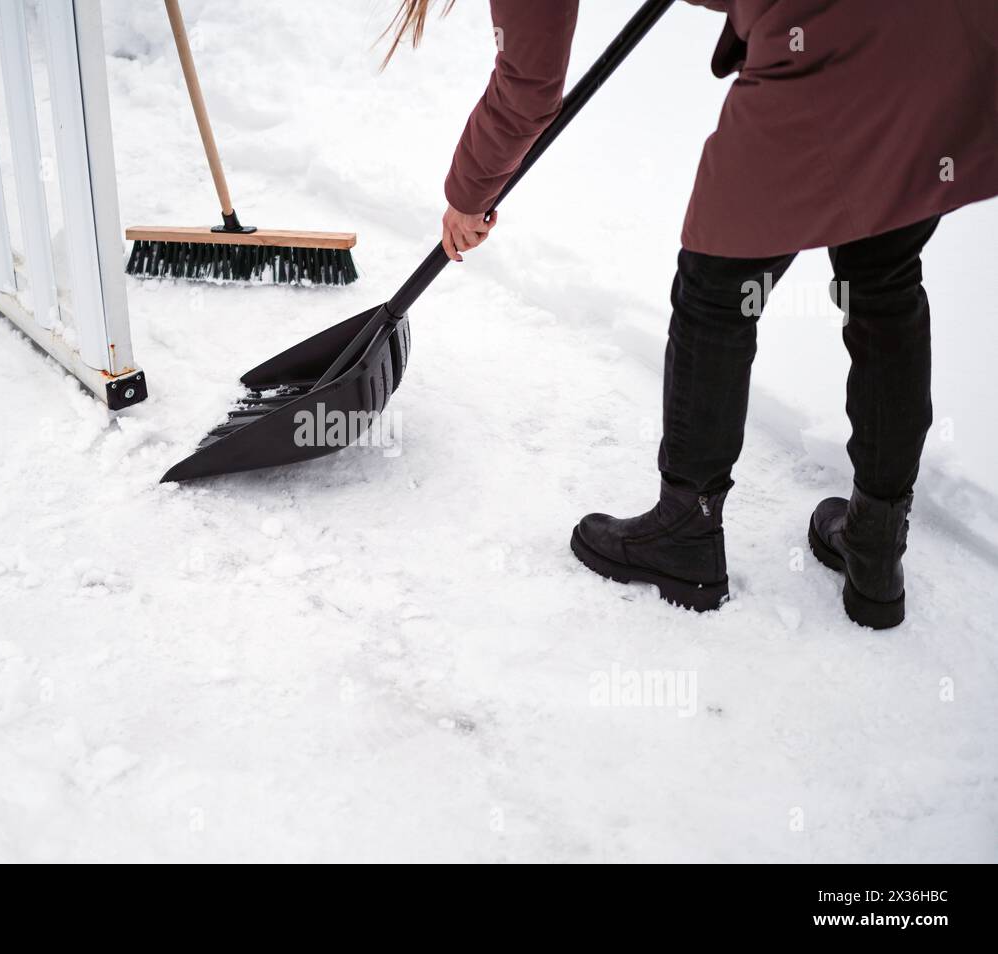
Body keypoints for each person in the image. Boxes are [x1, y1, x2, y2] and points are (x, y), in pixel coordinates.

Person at [385, 0, 998, 628]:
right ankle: (876, 542)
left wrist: (468, 195)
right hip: (950, 33)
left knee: (719, 286)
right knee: (884, 277)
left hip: (829, 34)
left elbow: (528, 87)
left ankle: (685, 531)